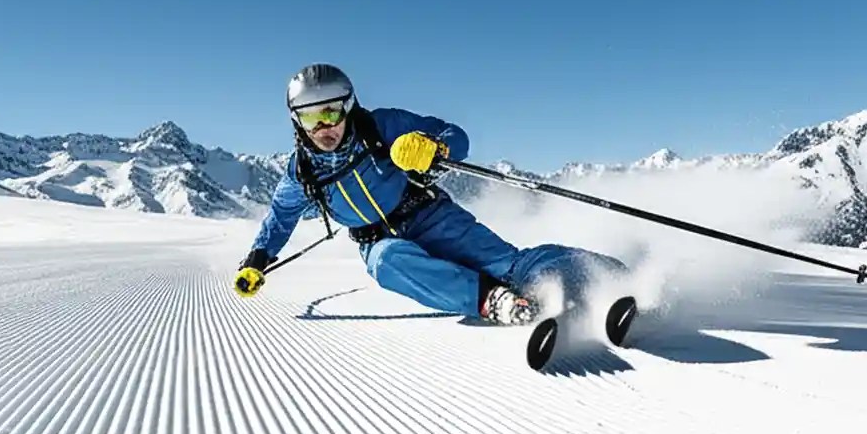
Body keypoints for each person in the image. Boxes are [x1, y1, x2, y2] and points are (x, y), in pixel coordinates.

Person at [233, 63, 627, 325]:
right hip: (379, 239)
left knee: (507, 263)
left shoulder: (380, 126)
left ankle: (613, 277)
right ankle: (493, 301)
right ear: (297, 123)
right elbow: (280, 219)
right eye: (311, 118)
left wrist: (434, 149)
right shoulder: (301, 172)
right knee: (387, 264)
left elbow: (455, 134)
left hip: (429, 214)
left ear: (347, 108)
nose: (324, 127)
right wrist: (256, 260)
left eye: (331, 113)